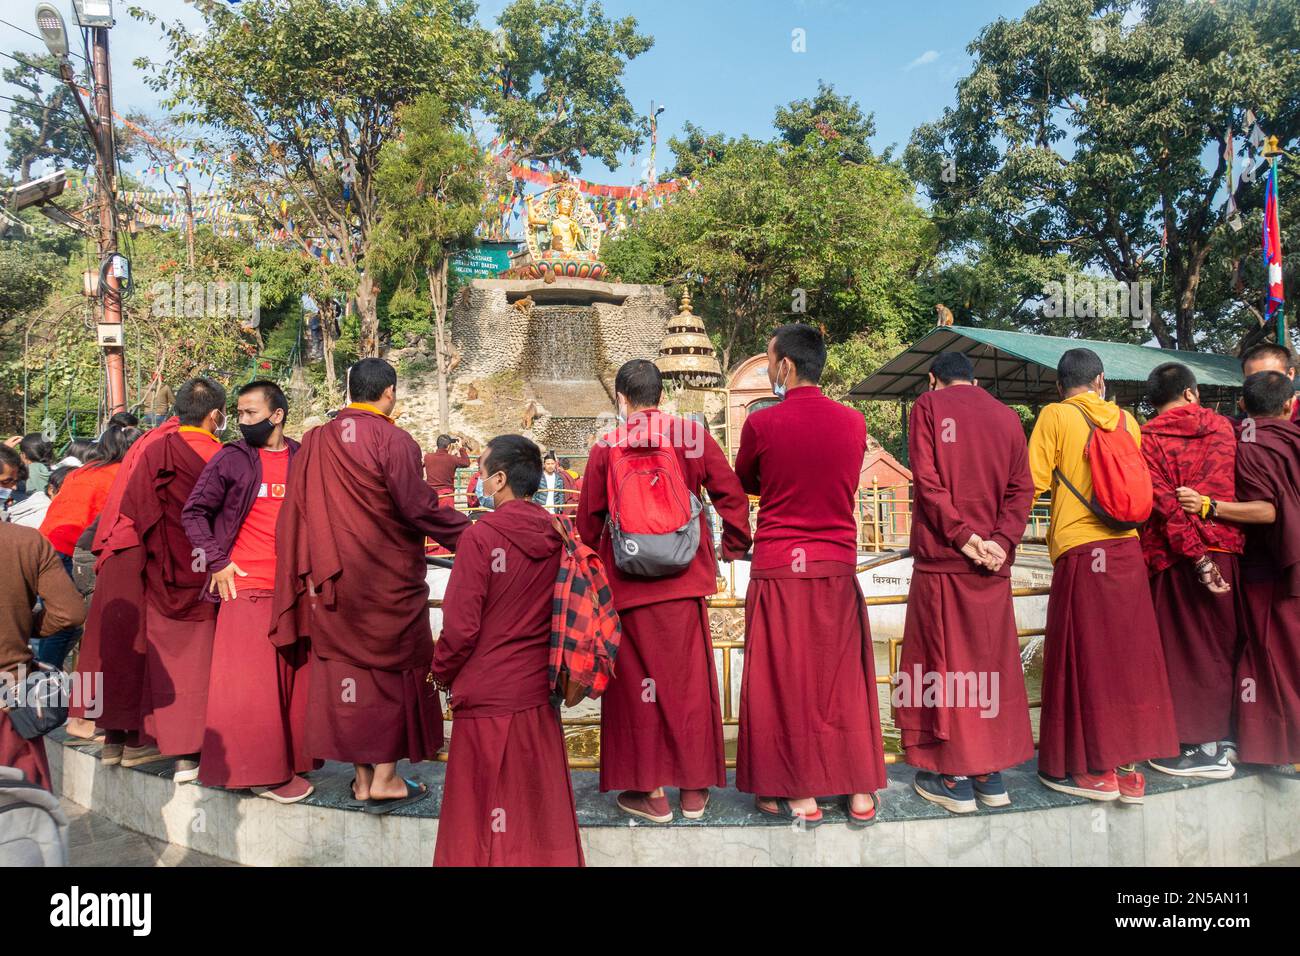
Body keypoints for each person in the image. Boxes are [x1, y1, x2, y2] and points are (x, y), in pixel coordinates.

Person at [271, 358, 469, 810]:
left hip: (333, 585)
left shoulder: (317, 441)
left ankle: (362, 779)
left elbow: (296, 515)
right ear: (390, 393)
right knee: (395, 676)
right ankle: (385, 778)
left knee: (348, 677)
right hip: (387, 584)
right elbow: (418, 508)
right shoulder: (393, 439)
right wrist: (473, 534)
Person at [577, 360, 751, 823]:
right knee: (688, 687)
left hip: (628, 589)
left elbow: (588, 522)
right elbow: (730, 494)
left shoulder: (606, 446)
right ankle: (693, 793)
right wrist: (733, 546)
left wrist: (592, 575)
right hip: (684, 582)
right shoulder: (690, 435)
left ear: (621, 399)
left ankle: (651, 795)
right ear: (661, 395)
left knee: (637, 692)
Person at [732, 323, 887, 826]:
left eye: (772, 359)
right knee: (843, 678)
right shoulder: (853, 422)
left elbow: (746, 482)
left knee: (786, 679)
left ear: (787, 367)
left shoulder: (762, 424)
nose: (772, 367)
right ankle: (859, 789)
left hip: (779, 565)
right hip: (837, 566)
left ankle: (800, 794)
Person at [1028, 348, 1178, 803]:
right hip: (1128, 552)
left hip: (1080, 551)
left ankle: (1093, 769)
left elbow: (1029, 483)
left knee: (1084, 659)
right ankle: (1129, 770)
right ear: (1101, 381)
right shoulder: (1128, 421)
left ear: (1060, 386)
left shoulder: (1054, 416)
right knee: (1129, 662)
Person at [433, 435, 584, 865]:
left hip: (486, 696)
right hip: (538, 692)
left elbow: (460, 629)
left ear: (498, 480)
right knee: (537, 812)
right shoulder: (558, 532)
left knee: (479, 820)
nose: (479, 480)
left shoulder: (481, 539)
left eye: (481, 472)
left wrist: (439, 671)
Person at [898, 351, 1036, 813]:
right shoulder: (1006, 417)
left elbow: (928, 481)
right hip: (991, 565)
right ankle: (991, 776)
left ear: (932, 378)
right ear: (973, 379)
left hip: (944, 559)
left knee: (942, 666)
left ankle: (953, 778)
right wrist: (1000, 540)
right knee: (988, 666)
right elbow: (1022, 488)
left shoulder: (928, 408)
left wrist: (963, 536)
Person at [181, 381, 314, 802]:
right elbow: (194, 511)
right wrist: (217, 561)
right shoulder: (231, 459)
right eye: (238, 413)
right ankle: (261, 775)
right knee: (251, 687)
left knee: (294, 680)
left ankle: (287, 763)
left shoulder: (303, 457)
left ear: (277, 415)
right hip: (246, 585)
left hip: (293, 587)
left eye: (250, 413)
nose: (241, 421)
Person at [1176, 370, 1300, 772]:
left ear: (1243, 406)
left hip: (1270, 566)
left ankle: (1274, 749)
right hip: (1287, 562)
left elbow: (1267, 510)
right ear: (1288, 405)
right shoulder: (1288, 439)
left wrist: (1210, 506)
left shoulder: (1246, 444)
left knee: (1266, 657)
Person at [116, 379, 227, 783]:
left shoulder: (156, 451)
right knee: (210, 662)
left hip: (166, 571)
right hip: (217, 576)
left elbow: (137, 511)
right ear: (217, 415)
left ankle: (176, 750)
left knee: (170, 661)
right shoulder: (228, 456)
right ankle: (202, 751)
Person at [1139, 363, 1244, 779]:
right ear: (1191, 392)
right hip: (1229, 549)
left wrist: (1197, 558)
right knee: (1220, 646)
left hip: (1178, 558)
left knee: (1185, 654)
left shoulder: (1147, 440)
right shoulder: (1224, 428)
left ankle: (1203, 751)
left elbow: (1166, 508)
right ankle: (1228, 739)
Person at [65, 414, 180, 759]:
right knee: (131, 646)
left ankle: (90, 724)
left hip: (91, 551)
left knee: (97, 642)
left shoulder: (91, 471)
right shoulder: (156, 453)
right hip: (121, 551)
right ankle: (132, 739)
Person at [34, 426, 142, 670]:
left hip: (45, 545)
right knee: (70, 624)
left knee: (61, 620)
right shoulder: (122, 477)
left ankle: (48, 680)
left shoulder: (81, 471)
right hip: (72, 552)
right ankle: (45, 685)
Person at [0, 521, 86, 789]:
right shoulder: (25, 540)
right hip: (10, 701)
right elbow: (70, 613)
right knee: (21, 817)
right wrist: (23, 623)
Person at [1239, 342, 1299, 422]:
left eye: (1270, 377)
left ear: (1290, 374)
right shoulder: (1234, 427)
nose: (1261, 384)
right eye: (1252, 379)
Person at [423, 433, 470, 508]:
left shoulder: (427, 457)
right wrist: (461, 448)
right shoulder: (452, 459)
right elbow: (466, 463)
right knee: (447, 519)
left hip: (430, 496)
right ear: (448, 446)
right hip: (446, 496)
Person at [533, 451, 573, 515]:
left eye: (552, 463)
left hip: (554, 510)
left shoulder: (559, 478)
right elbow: (534, 494)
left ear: (555, 464)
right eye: (548, 464)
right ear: (544, 464)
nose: (550, 466)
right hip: (541, 509)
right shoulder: (538, 477)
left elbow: (561, 495)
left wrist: (560, 509)